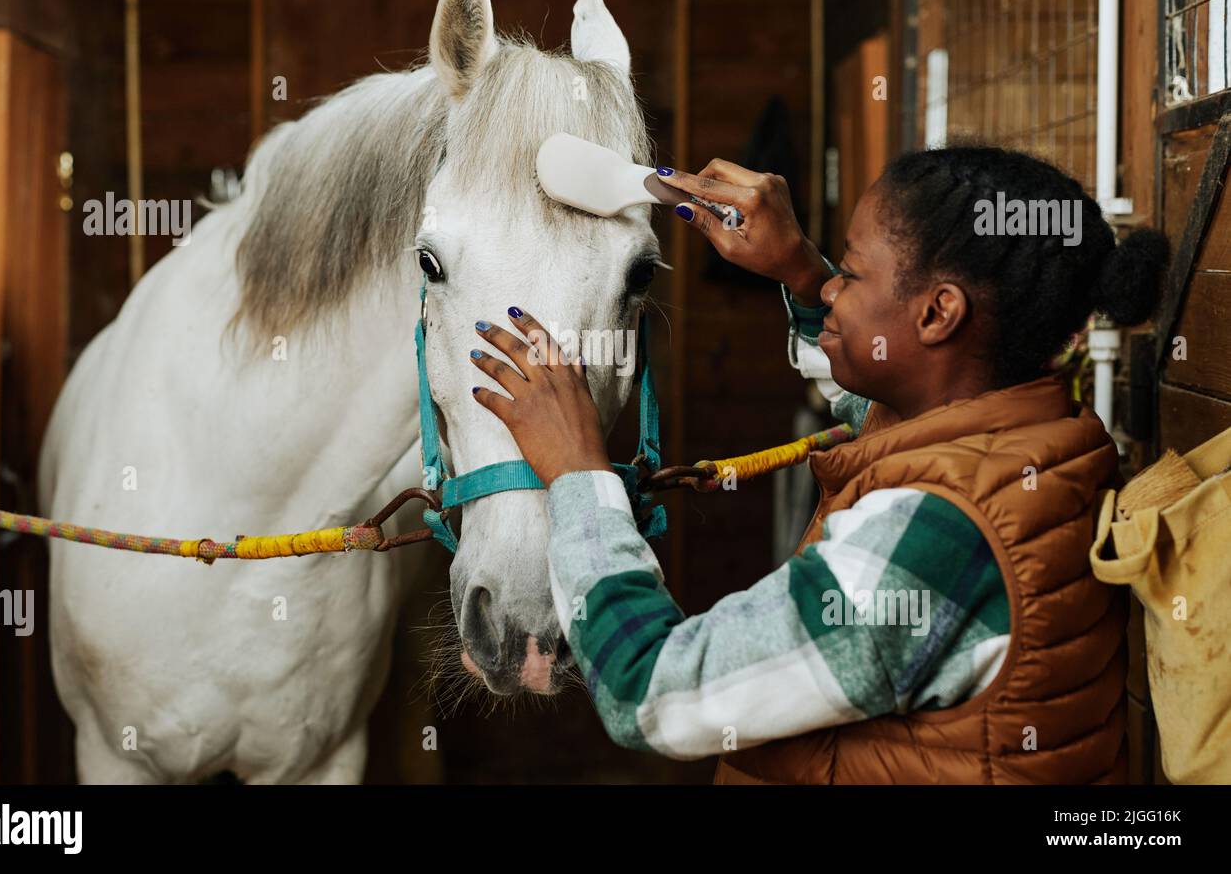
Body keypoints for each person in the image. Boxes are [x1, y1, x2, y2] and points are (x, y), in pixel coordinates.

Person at [467, 145, 1168, 784]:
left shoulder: (935, 540)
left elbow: (651, 692)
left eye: (853, 273)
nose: (834, 290)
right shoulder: (1034, 435)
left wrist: (577, 474)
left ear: (938, 315)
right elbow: (878, 412)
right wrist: (800, 268)